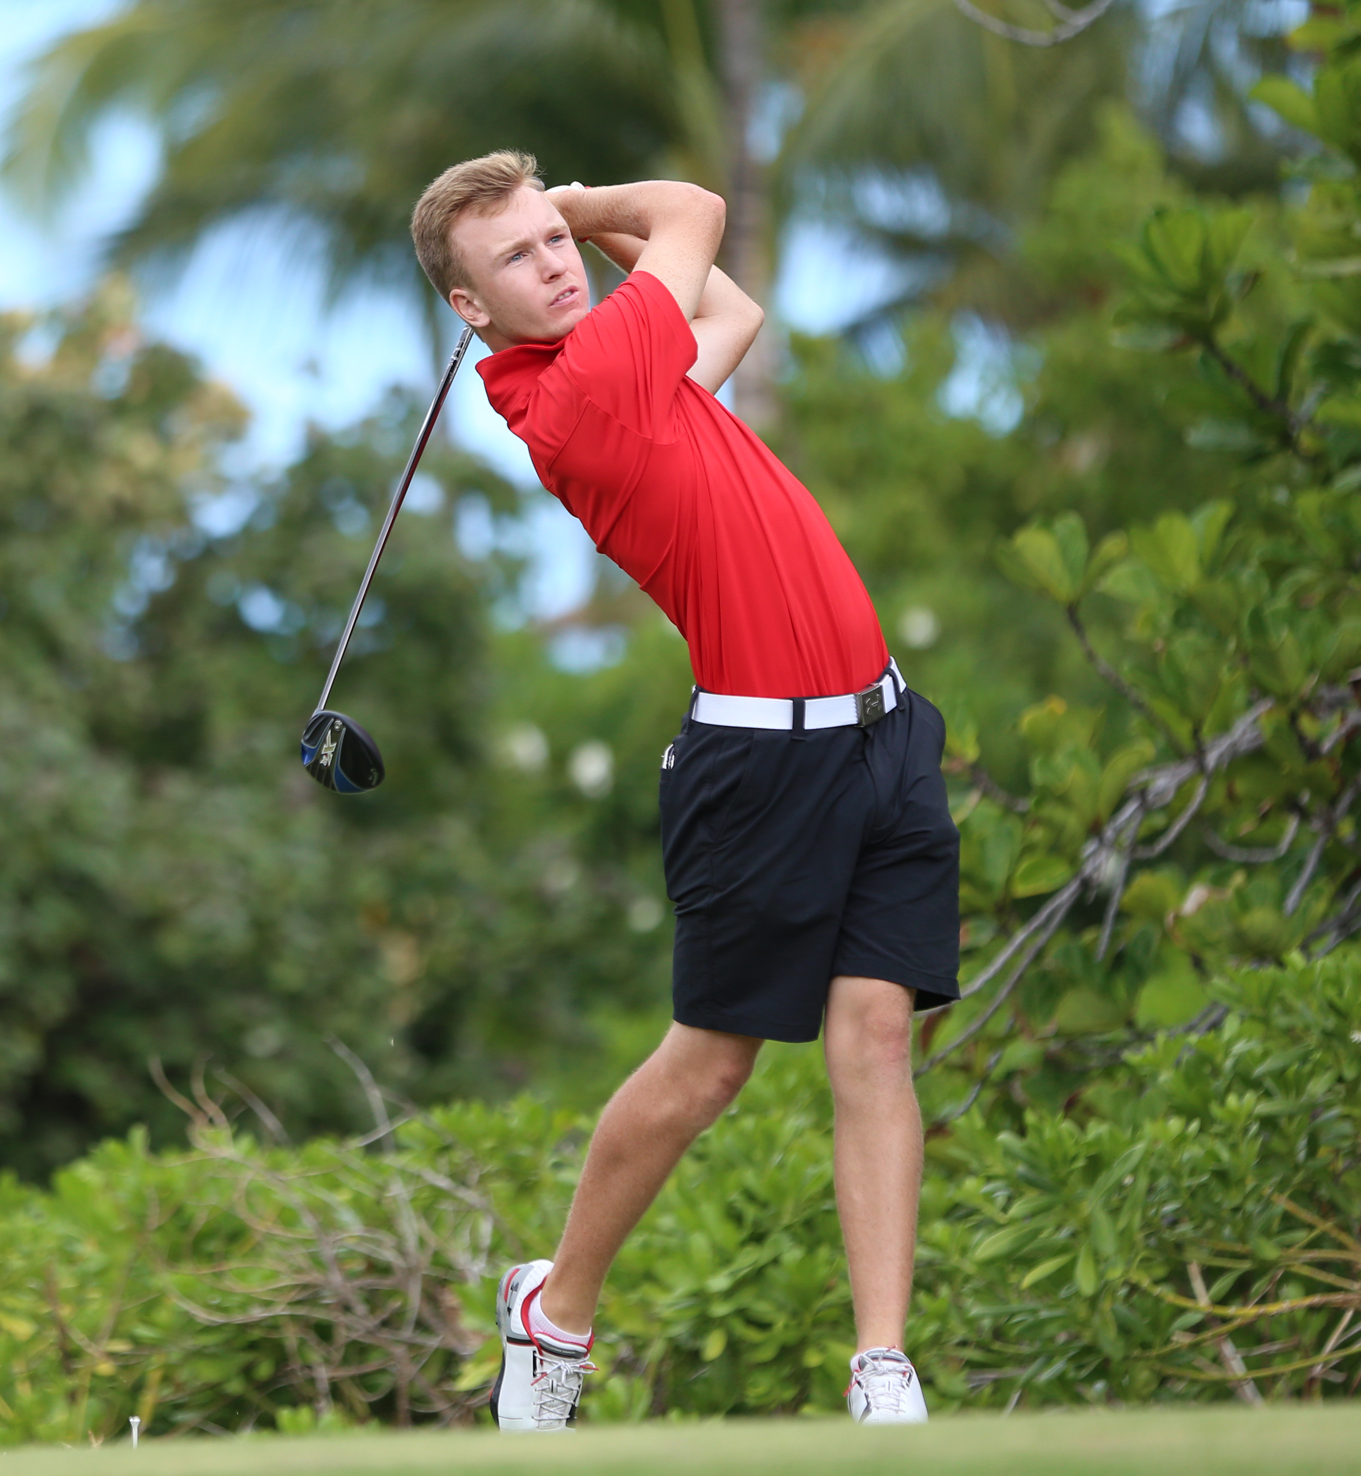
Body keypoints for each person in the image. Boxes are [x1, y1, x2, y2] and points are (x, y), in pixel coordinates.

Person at [408, 152, 961, 1432]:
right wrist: (587, 206)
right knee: (712, 1069)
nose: (554, 263)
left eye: (555, 245)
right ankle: (555, 1315)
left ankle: (883, 1366)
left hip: (882, 732)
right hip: (762, 767)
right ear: (470, 311)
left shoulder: (635, 376)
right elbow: (694, 217)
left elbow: (735, 315)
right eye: (520, 257)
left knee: (876, 1037)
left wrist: (551, 225)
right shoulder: (589, 394)